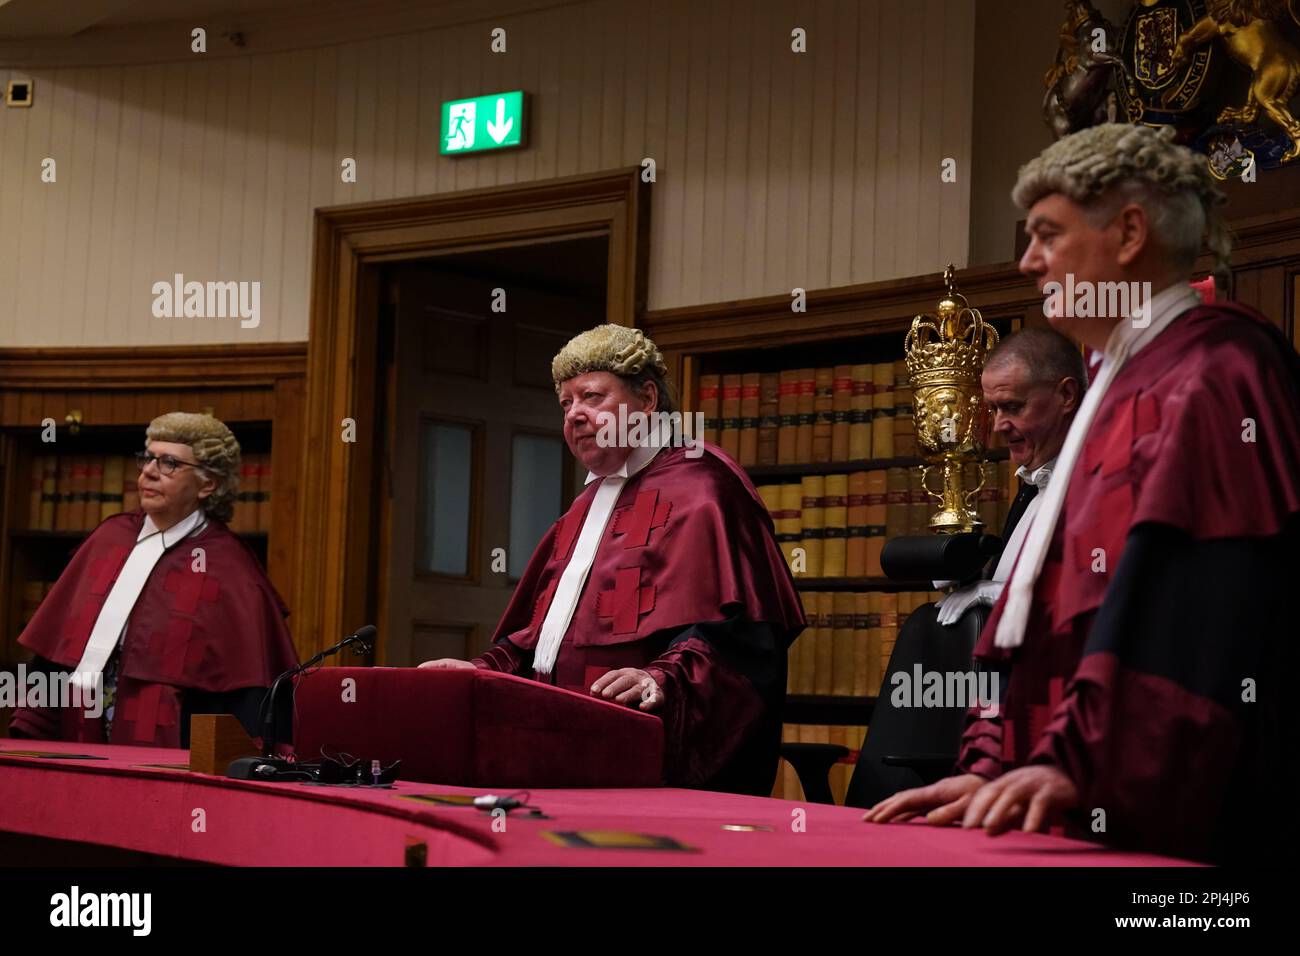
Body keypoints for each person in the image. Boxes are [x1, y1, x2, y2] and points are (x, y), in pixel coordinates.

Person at [865, 124, 1300, 863]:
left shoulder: (1218, 371)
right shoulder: (1115, 382)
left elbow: (1210, 617)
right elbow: (1049, 613)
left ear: (1130, 231)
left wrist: (1084, 763)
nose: (1028, 261)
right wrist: (995, 764)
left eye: (1046, 235)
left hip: (1186, 836)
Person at [421, 324, 805, 795]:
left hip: (644, 760)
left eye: (592, 397)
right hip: (563, 753)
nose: (574, 416)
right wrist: (481, 672)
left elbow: (742, 638)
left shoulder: (705, 488)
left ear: (646, 399)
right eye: (566, 404)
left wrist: (660, 678)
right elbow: (540, 644)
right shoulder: (585, 507)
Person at [9, 412, 299, 747]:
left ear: (208, 484)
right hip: (77, 728)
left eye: (170, 463)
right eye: (147, 458)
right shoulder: (108, 537)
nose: (149, 471)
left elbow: (241, 687)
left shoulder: (230, 565)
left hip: (172, 743)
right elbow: (56, 652)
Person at [934, 328, 1085, 626]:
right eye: (993, 409)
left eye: (1013, 407)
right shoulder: (1031, 489)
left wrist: (1000, 595)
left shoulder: (1104, 483)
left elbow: (1106, 603)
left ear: (1066, 395)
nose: (998, 427)